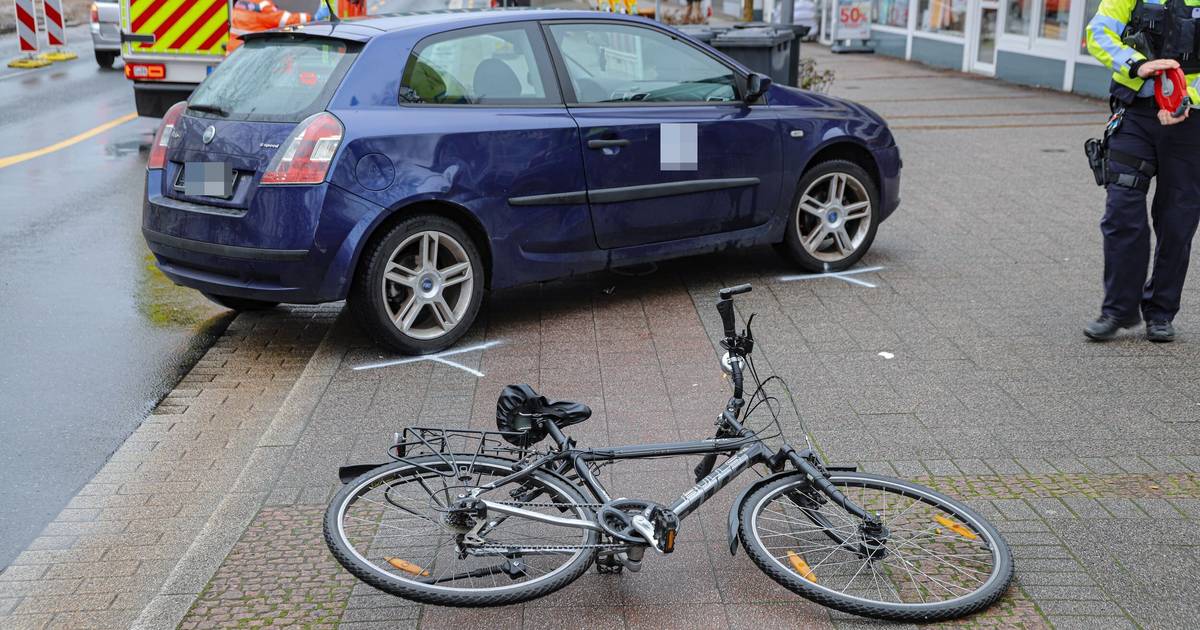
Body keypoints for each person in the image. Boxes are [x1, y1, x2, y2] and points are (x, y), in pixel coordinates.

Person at [1084, 0, 1200, 342]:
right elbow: (1099, 33)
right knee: (1121, 209)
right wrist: (1137, 65)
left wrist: (1182, 98)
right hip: (1135, 114)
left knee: (1177, 221)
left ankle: (1161, 312)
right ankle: (1117, 309)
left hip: (1190, 120)